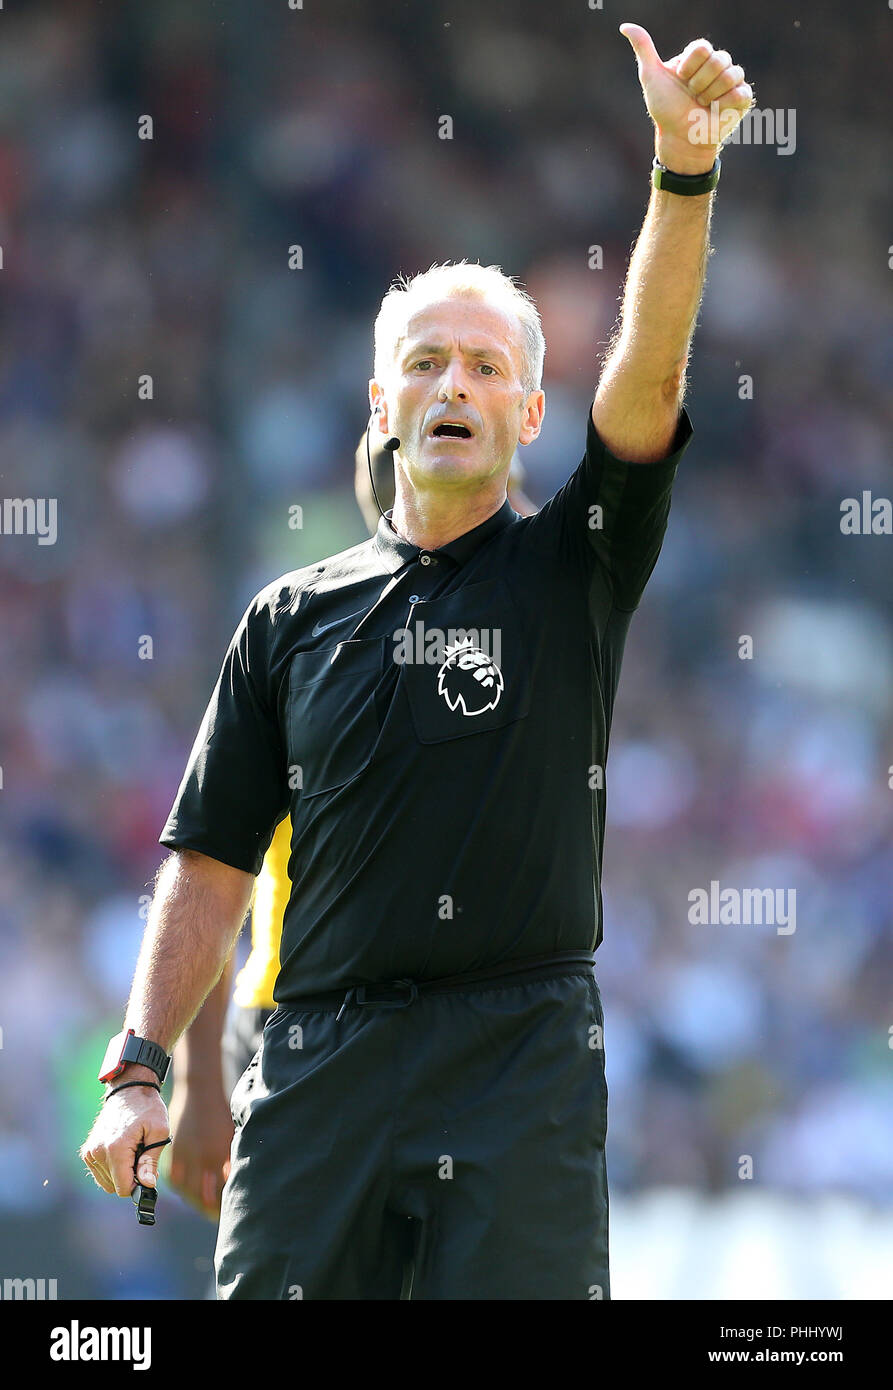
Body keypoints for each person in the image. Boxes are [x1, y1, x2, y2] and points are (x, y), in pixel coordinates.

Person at [81, 26, 753, 1299]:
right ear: (382, 409)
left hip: (520, 1063)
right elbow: (210, 865)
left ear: (528, 415)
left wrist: (680, 173)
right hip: (320, 1067)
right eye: (425, 364)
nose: (455, 382)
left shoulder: (575, 569)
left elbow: (648, 368)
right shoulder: (287, 618)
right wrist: (140, 1069)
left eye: (487, 366)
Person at [167, 439, 537, 1222]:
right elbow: (213, 875)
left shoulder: (523, 651)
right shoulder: (316, 651)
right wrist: (198, 1083)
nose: (524, 522)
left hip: (465, 1039)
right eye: (511, 499)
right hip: (294, 1028)